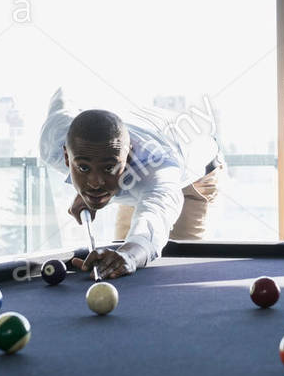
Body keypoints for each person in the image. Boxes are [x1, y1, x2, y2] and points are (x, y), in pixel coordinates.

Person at [39, 88, 223, 279]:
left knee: (176, 269)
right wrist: (87, 191)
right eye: (83, 168)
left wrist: (129, 255)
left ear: (127, 157)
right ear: (67, 157)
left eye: (108, 167)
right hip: (142, 139)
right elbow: (67, 90)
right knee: (117, 261)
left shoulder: (158, 170)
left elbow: (153, 221)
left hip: (194, 173)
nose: (95, 183)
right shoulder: (53, 141)